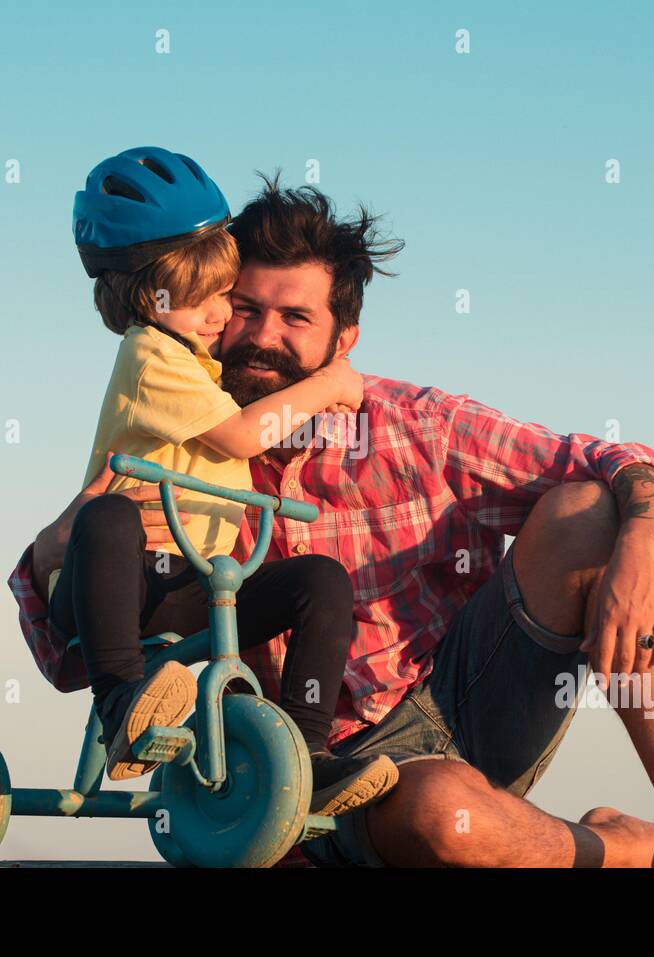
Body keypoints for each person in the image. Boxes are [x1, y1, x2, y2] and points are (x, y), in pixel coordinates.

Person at [16, 171, 654, 867]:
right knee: (442, 813)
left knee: (587, 511)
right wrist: (61, 542)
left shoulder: (418, 424)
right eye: (244, 308)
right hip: (324, 775)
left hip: (464, 702)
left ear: (344, 341)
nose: (261, 335)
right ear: (211, 308)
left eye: (295, 318)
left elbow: (623, 463)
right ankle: (624, 846)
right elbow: (67, 662)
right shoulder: (179, 445)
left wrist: (639, 550)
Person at [47, 147, 397, 816]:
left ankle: (304, 751)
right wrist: (329, 384)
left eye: (221, 296)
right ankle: (122, 700)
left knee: (321, 581)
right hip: (112, 588)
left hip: (188, 586)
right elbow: (241, 436)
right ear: (144, 301)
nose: (218, 316)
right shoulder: (151, 356)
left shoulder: (203, 369)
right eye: (203, 299)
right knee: (110, 518)